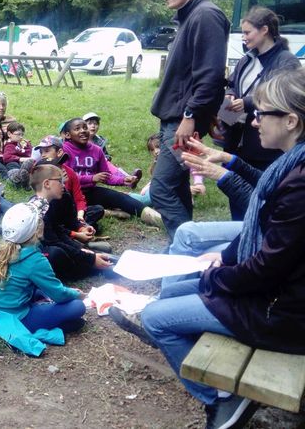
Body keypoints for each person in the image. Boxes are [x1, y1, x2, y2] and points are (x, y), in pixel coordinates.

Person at [114, 69, 305, 429]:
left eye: (262, 114)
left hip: (283, 314)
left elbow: (268, 266)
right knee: (181, 287)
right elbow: (261, 230)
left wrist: (218, 274)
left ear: (292, 120)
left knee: (158, 317)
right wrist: (224, 259)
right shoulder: (292, 165)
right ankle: (191, 337)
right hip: (277, 296)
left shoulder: (299, 183)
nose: (253, 121)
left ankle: (219, 399)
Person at [149, 0, 230, 238]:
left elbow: (210, 75)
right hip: (173, 118)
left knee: (160, 189)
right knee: (176, 186)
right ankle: (183, 247)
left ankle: (188, 245)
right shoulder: (191, 15)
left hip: (181, 121)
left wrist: (190, 114)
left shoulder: (206, 15)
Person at [222, 6, 300, 219]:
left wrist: (247, 103)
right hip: (237, 141)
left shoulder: (287, 62)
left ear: (264, 30)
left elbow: (283, 99)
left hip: (264, 149)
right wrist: (229, 96)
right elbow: (232, 84)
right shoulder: (246, 58)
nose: (244, 37)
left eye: (248, 32)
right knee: (236, 201)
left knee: (260, 206)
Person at [0, 203, 87, 356]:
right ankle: (37, 327)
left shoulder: (2, 249)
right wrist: (77, 294)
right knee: (77, 306)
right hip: (17, 316)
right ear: (36, 230)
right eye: (40, 220)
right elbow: (59, 295)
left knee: (40, 291)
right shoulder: (35, 260)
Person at [61, 118, 163, 228]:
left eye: (85, 128)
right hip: (69, 194)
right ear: (67, 135)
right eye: (77, 129)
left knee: (121, 198)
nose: (83, 131)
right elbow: (67, 177)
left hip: (89, 191)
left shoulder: (97, 150)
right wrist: (92, 178)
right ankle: (109, 213)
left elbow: (106, 176)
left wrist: (123, 180)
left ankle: (160, 220)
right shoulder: (63, 150)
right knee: (71, 212)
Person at [30, 163, 112, 280]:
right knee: (56, 253)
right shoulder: (39, 210)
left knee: (69, 251)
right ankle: (87, 269)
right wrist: (90, 259)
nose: (63, 185)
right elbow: (53, 242)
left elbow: (58, 231)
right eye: (60, 181)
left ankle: (93, 259)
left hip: (53, 246)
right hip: (38, 254)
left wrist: (80, 250)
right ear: (47, 184)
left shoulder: (48, 203)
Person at [83, 112, 142, 189]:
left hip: (101, 164)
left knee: (110, 166)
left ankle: (128, 178)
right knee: (108, 166)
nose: (93, 126)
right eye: (89, 123)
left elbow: (106, 154)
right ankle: (128, 179)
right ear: (83, 126)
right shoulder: (80, 139)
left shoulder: (99, 140)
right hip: (87, 164)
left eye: (96, 124)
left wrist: (106, 158)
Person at [2, 122, 34, 187]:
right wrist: (21, 159)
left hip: (27, 162)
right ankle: (18, 176)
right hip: (15, 163)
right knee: (13, 165)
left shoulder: (24, 143)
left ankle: (26, 178)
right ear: (9, 134)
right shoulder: (9, 145)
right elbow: (7, 157)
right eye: (18, 134)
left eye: (22, 134)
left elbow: (31, 151)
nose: (21, 137)